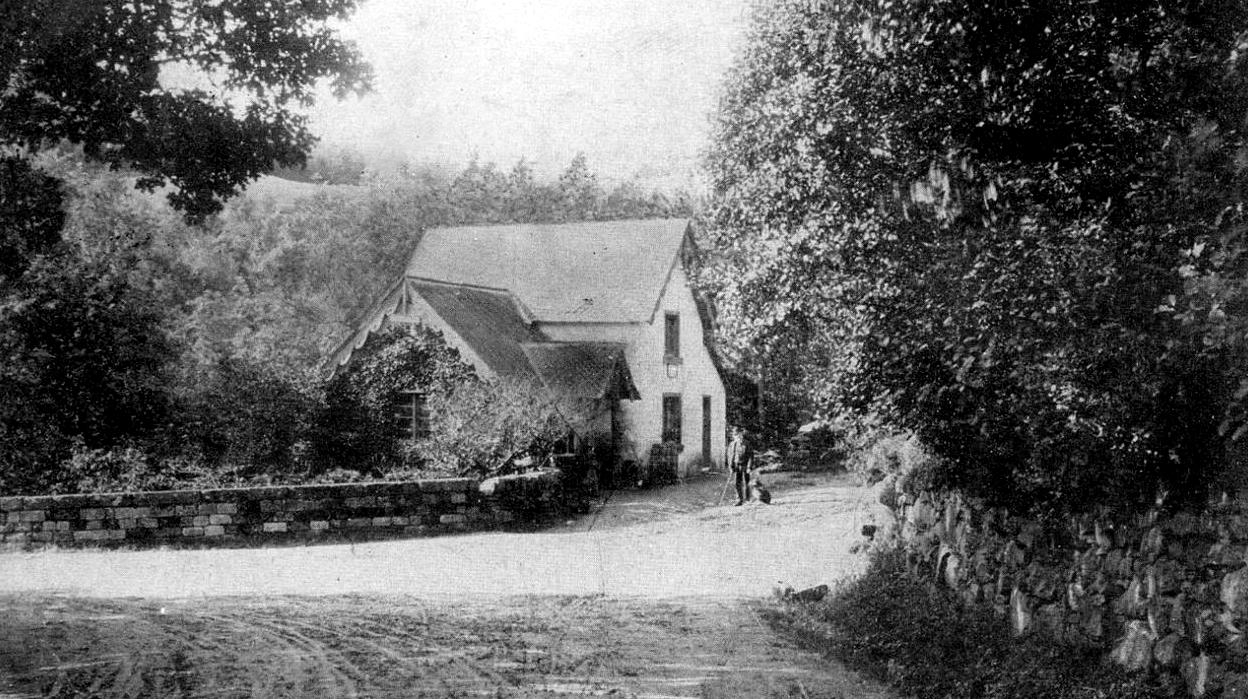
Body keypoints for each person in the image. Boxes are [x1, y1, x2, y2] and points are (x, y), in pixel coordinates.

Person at [726, 426, 753, 506]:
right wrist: (730, 467)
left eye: (739, 435)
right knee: (737, 483)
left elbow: (751, 456)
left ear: (741, 434)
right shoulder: (732, 444)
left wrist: (749, 467)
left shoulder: (747, 444)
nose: (738, 437)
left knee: (746, 482)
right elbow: (729, 456)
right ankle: (739, 500)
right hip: (736, 466)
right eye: (735, 435)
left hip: (745, 465)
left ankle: (748, 499)